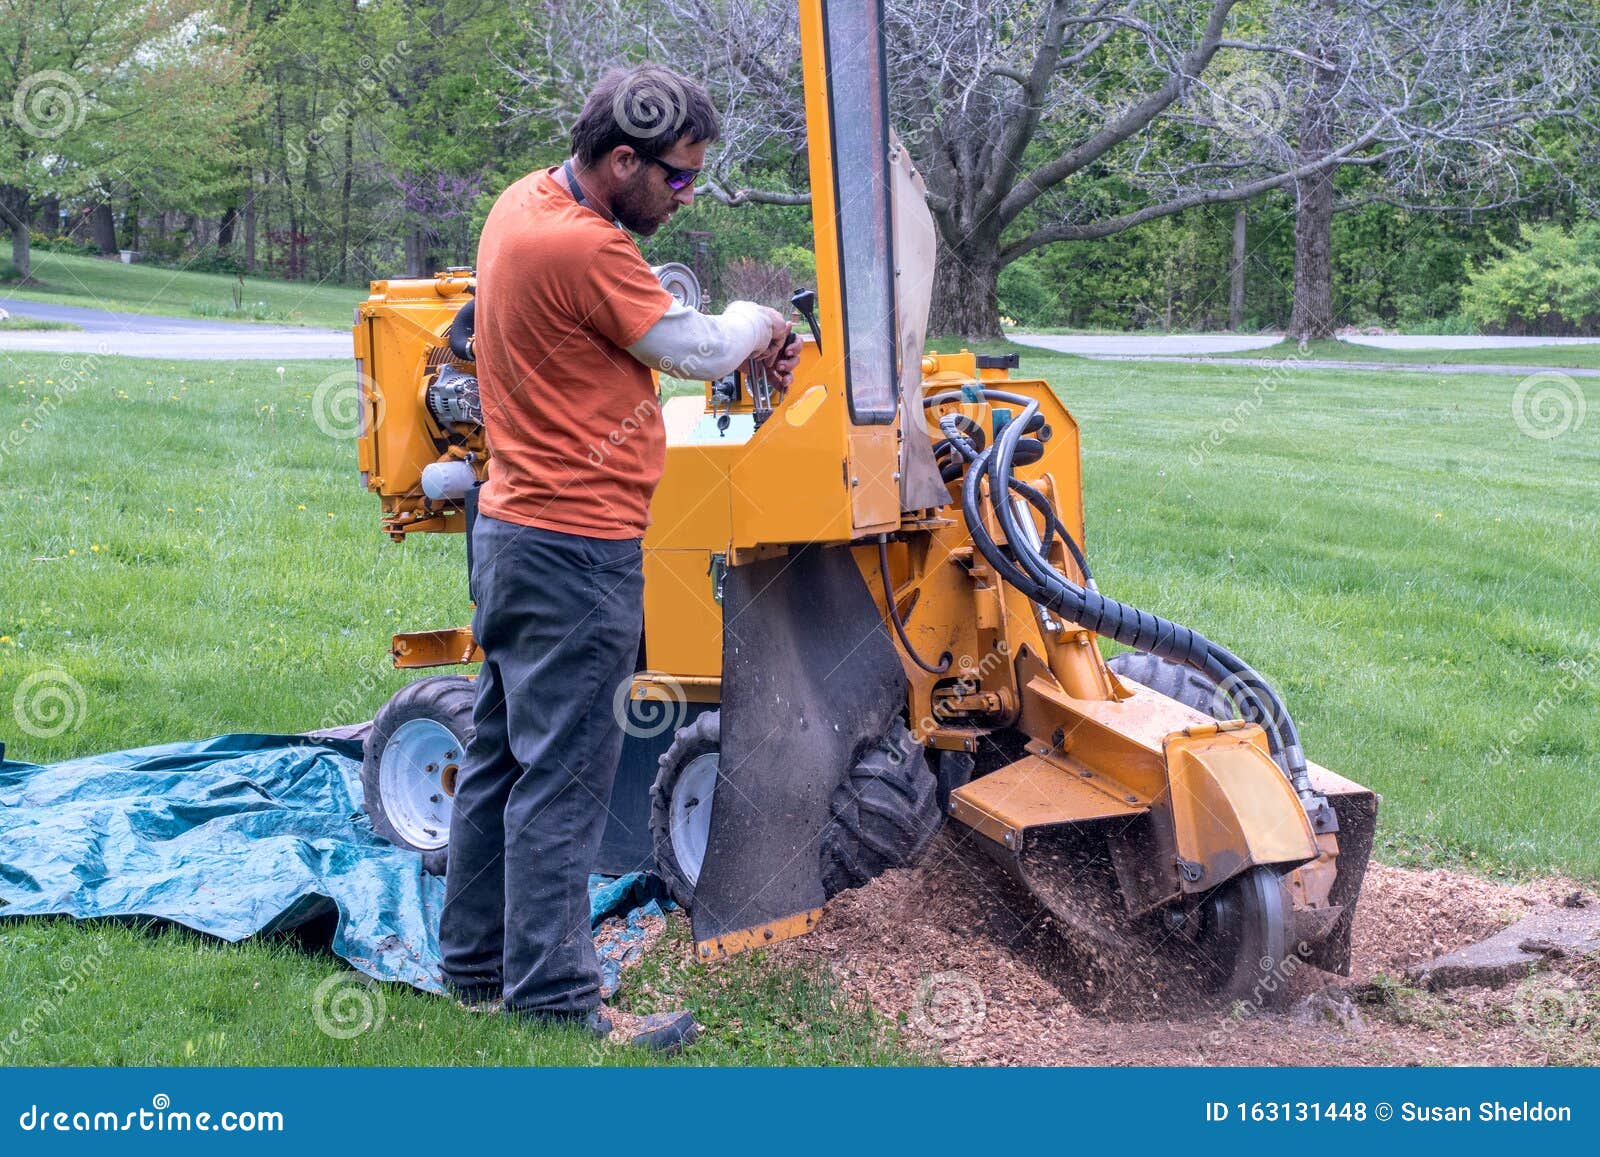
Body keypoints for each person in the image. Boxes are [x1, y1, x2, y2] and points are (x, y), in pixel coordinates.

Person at [438, 64, 798, 1051]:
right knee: (564, 776)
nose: (684, 199)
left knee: (503, 757)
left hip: (511, 534)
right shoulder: (585, 245)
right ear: (623, 157)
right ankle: (556, 995)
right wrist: (762, 322)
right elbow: (689, 347)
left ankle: (471, 966)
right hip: (576, 549)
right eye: (676, 180)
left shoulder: (523, 204)